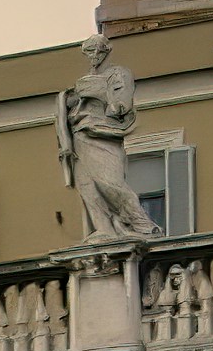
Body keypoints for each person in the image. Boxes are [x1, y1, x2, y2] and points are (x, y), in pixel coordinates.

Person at [60, 37, 148, 243]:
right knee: (86, 185)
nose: (93, 55)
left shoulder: (118, 74)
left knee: (110, 183)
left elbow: (121, 106)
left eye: (96, 50)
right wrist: (70, 100)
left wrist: (97, 93)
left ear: (106, 50)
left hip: (103, 133)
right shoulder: (85, 79)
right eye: (88, 51)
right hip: (80, 135)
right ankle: (104, 228)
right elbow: (70, 108)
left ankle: (142, 224)